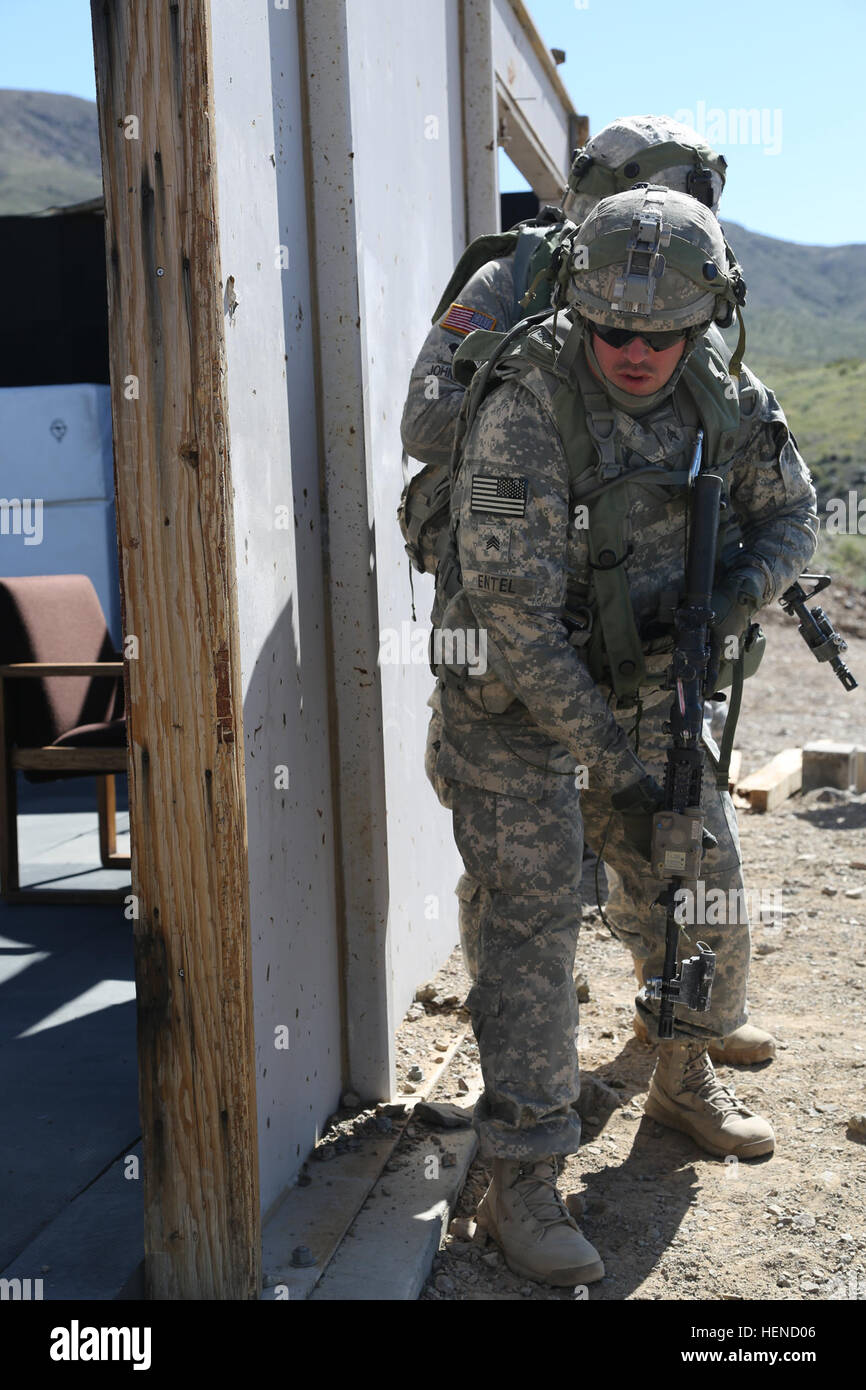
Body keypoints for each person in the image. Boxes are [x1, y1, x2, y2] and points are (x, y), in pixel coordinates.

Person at [422, 185, 818, 1286]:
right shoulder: (522, 404)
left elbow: (787, 513)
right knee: (538, 920)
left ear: (701, 321)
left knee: (704, 890)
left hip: (646, 677)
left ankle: (681, 1076)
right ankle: (524, 1173)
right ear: (581, 314)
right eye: (611, 331)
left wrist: (730, 599)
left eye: (661, 333)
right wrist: (610, 755)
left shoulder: (717, 393)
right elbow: (510, 617)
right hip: (510, 699)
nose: (635, 351)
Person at [402, 114, 778, 1067]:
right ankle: (529, 1106)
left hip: (641, 642)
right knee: (526, 898)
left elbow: (777, 490)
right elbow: (424, 417)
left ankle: (677, 1034)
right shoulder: (516, 284)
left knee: (687, 864)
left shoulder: (691, 324)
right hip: (518, 605)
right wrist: (548, 393)